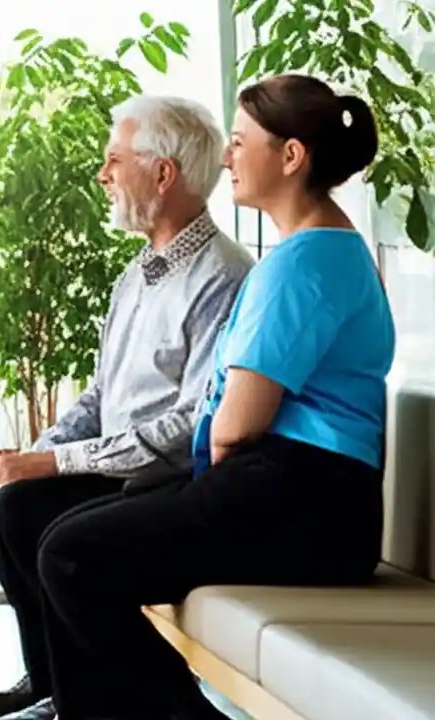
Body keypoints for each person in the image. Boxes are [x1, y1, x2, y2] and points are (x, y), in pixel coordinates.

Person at [28, 74, 394, 720]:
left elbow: (236, 426)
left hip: (306, 499)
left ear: (291, 157)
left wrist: (205, 496)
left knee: (72, 555)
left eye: (242, 141)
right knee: (67, 541)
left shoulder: (304, 263)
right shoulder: (319, 252)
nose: (227, 156)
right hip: (312, 496)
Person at [0, 96, 254, 720]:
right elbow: (100, 397)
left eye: (114, 159)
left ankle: (81, 697)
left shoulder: (222, 275)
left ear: (163, 174)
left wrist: (51, 466)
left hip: (163, 481)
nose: (103, 175)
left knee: (23, 504)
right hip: (114, 466)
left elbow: (187, 428)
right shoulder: (138, 271)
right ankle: (50, 684)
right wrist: (33, 452)